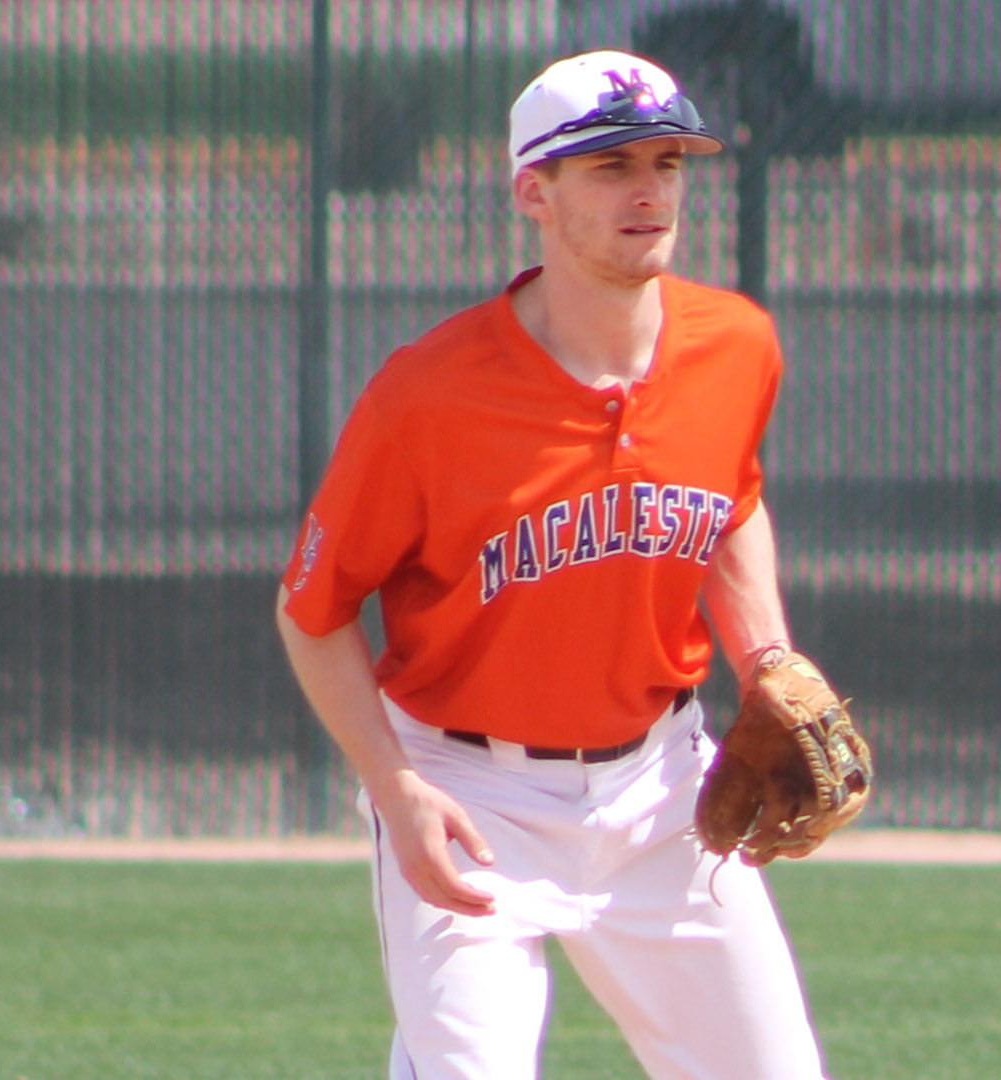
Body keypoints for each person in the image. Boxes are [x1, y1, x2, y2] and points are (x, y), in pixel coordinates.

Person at [276, 49, 830, 1080]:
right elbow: (313, 613)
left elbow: (732, 502)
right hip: (468, 791)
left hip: (663, 792)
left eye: (668, 161)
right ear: (534, 191)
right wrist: (395, 790)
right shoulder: (427, 397)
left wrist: (768, 662)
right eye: (611, 165)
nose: (649, 190)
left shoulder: (735, 345)